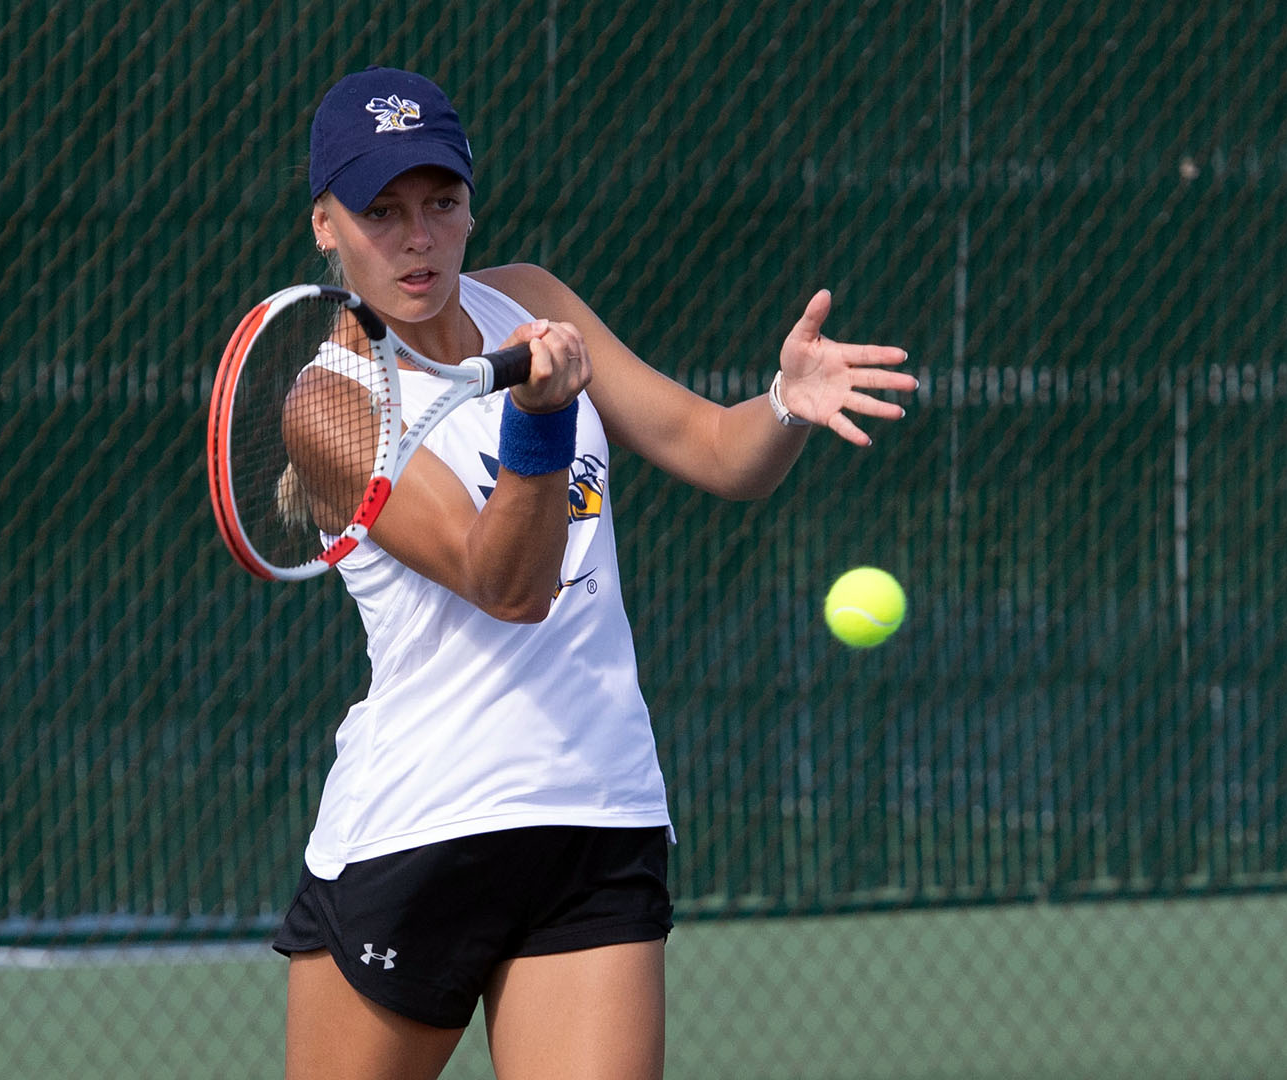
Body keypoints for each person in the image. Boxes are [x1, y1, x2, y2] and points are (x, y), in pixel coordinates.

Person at [271, 67, 917, 1080]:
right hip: (423, 831)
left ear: (471, 206)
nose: (418, 238)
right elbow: (509, 585)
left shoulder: (527, 301)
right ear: (325, 225)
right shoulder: (332, 409)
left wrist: (785, 405)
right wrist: (540, 423)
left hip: (595, 809)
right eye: (382, 211)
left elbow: (713, 446)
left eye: (440, 204)